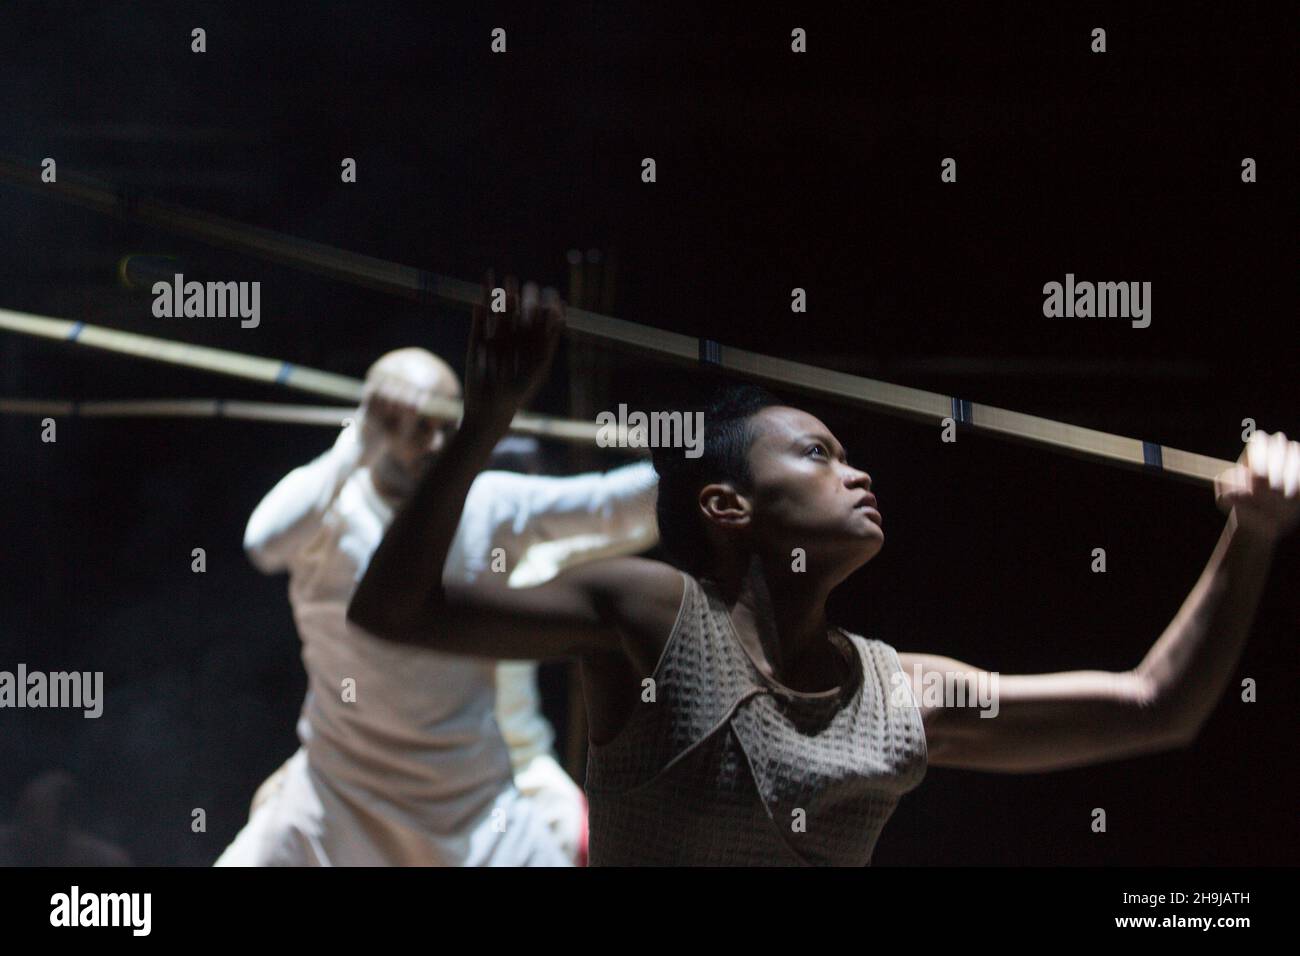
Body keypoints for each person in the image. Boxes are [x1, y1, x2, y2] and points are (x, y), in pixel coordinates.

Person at [349, 278, 1300, 866]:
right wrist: (487, 417)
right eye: (816, 454)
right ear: (730, 507)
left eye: (847, 455)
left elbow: (1157, 705)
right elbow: (394, 612)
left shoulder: (903, 695)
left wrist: (1252, 532)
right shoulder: (654, 614)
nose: (856, 470)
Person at [215, 345, 658, 866]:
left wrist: (706, 452)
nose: (436, 444)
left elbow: (615, 507)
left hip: (472, 806)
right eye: (417, 426)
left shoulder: (488, 505)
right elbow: (261, 544)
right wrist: (362, 436)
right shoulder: (329, 509)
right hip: (338, 793)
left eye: (449, 426)